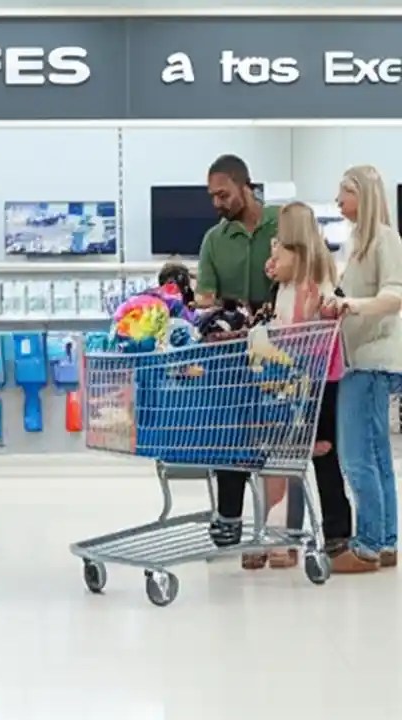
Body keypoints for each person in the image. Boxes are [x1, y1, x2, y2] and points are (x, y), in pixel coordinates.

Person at [197, 155, 283, 566]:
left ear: (245, 186)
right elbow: (206, 300)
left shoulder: (282, 223)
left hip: (280, 350)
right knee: (231, 438)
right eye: (212, 195)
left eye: (223, 194)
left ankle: (275, 533)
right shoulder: (214, 240)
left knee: (282, 440)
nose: (216, 202)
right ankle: (231, 521)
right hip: (229, 355)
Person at [257, 202, 351, 569]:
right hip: (299, 376)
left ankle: (332, 535)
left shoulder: (313, 274)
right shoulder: (291, 272)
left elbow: (303, 323)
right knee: (299, 456)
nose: (275, 243)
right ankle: (301, 537)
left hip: (315, 376)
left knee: (320, 453)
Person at [322, 165, 402, 573]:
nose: (338, 200)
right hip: (358, 356)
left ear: (365, 196)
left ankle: (368, 544)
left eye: (345, 191)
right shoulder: (353, 243)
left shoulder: (385, 239)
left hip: (371, 359)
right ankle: (385, 542)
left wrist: (353, 306)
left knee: (357, 456)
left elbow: (396, 293)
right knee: (377, 454)